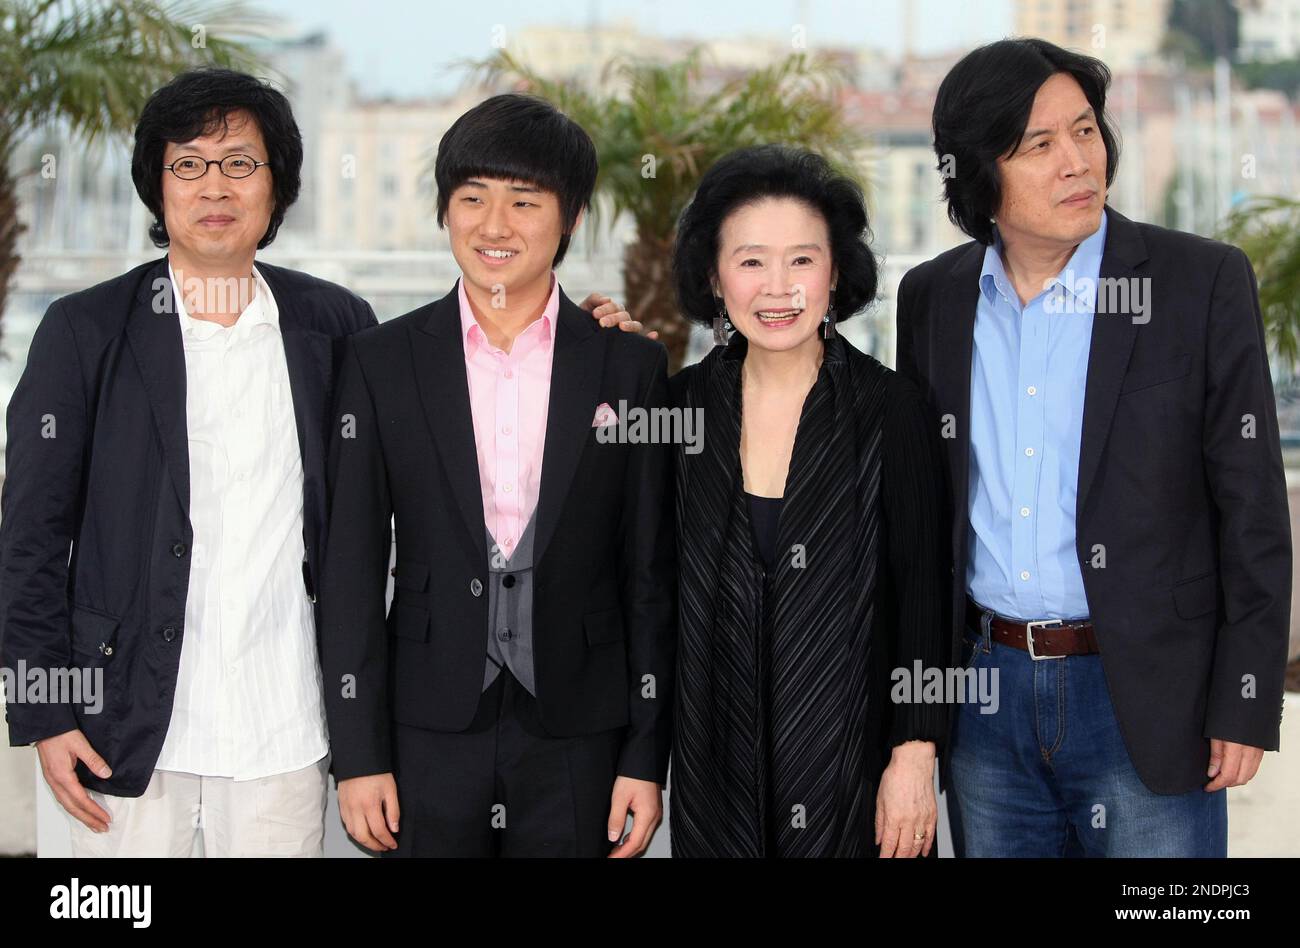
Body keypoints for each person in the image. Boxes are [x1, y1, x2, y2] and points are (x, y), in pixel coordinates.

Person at [0, 70, 638, 858]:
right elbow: (28, 537)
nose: (214, 186)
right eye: (188, 164)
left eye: (241, 163)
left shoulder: (335, 327)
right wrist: (45, 711)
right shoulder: (83, 330)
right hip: (116, 724)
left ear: (278, 187)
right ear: (155, 185)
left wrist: (588, 333)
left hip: (281, 727)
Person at [895, 38, 1291, 857]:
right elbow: (918, 508)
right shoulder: (932, 297)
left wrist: (1244, 701)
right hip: (985, 693)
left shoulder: (1198, 282)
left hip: (1147, 690)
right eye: (1038, 145)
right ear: (977, 176)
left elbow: (1251, 507)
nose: (1078, 161)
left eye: (1085, 130)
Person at [318, 93, 676, 858]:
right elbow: (350, 569)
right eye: (472, 197)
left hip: (581, 726)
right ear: (445, 210)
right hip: (425, 725)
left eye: (524, 200)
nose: (494, 224)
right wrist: (359, 755)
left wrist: (645, 757)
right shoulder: (381, 361)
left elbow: (648, 573)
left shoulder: (629, 364)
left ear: (571, 218)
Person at [668, 145, 950, 857]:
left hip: (856, 774)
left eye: (802, 259)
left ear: (835, 274)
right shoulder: (677, 414)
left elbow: (926, 595)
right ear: (714, 275)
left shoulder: (891, 409)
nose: (778, 287)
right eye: (751, 260)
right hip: (712, 777)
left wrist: (914, 755)